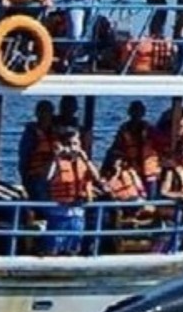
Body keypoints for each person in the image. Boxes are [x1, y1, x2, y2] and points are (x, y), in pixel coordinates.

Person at [44, 127, 98, 256]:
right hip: (59, 212)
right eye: (69, 144)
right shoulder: (57, 162)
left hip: (77, 211)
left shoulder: (83, 162)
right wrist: (56, 157)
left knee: (74, 246)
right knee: (55, 246)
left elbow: (96, 177)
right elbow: (47, 177)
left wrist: (86, 159)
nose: (72, 147)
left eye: (75, 144)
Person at [104, 100, 161, 197]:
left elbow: (160, 144)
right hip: (132, 167)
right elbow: (116, 146)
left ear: (143, 113)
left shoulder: (149, 128)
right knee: (134, 192)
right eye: (134, 111)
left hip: (149, 169)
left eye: (139, 111)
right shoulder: (124, 128)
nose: (136, 114)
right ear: (129, 112)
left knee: (151, 195)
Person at [18, 100, 59, 201]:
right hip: (37, 177)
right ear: (37, 114)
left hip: (55, 176)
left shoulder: (56, 132)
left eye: (48, 112)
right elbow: (24, 157)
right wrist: (25, 179)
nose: (45, 115)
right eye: (42, 112)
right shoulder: (31, 134)